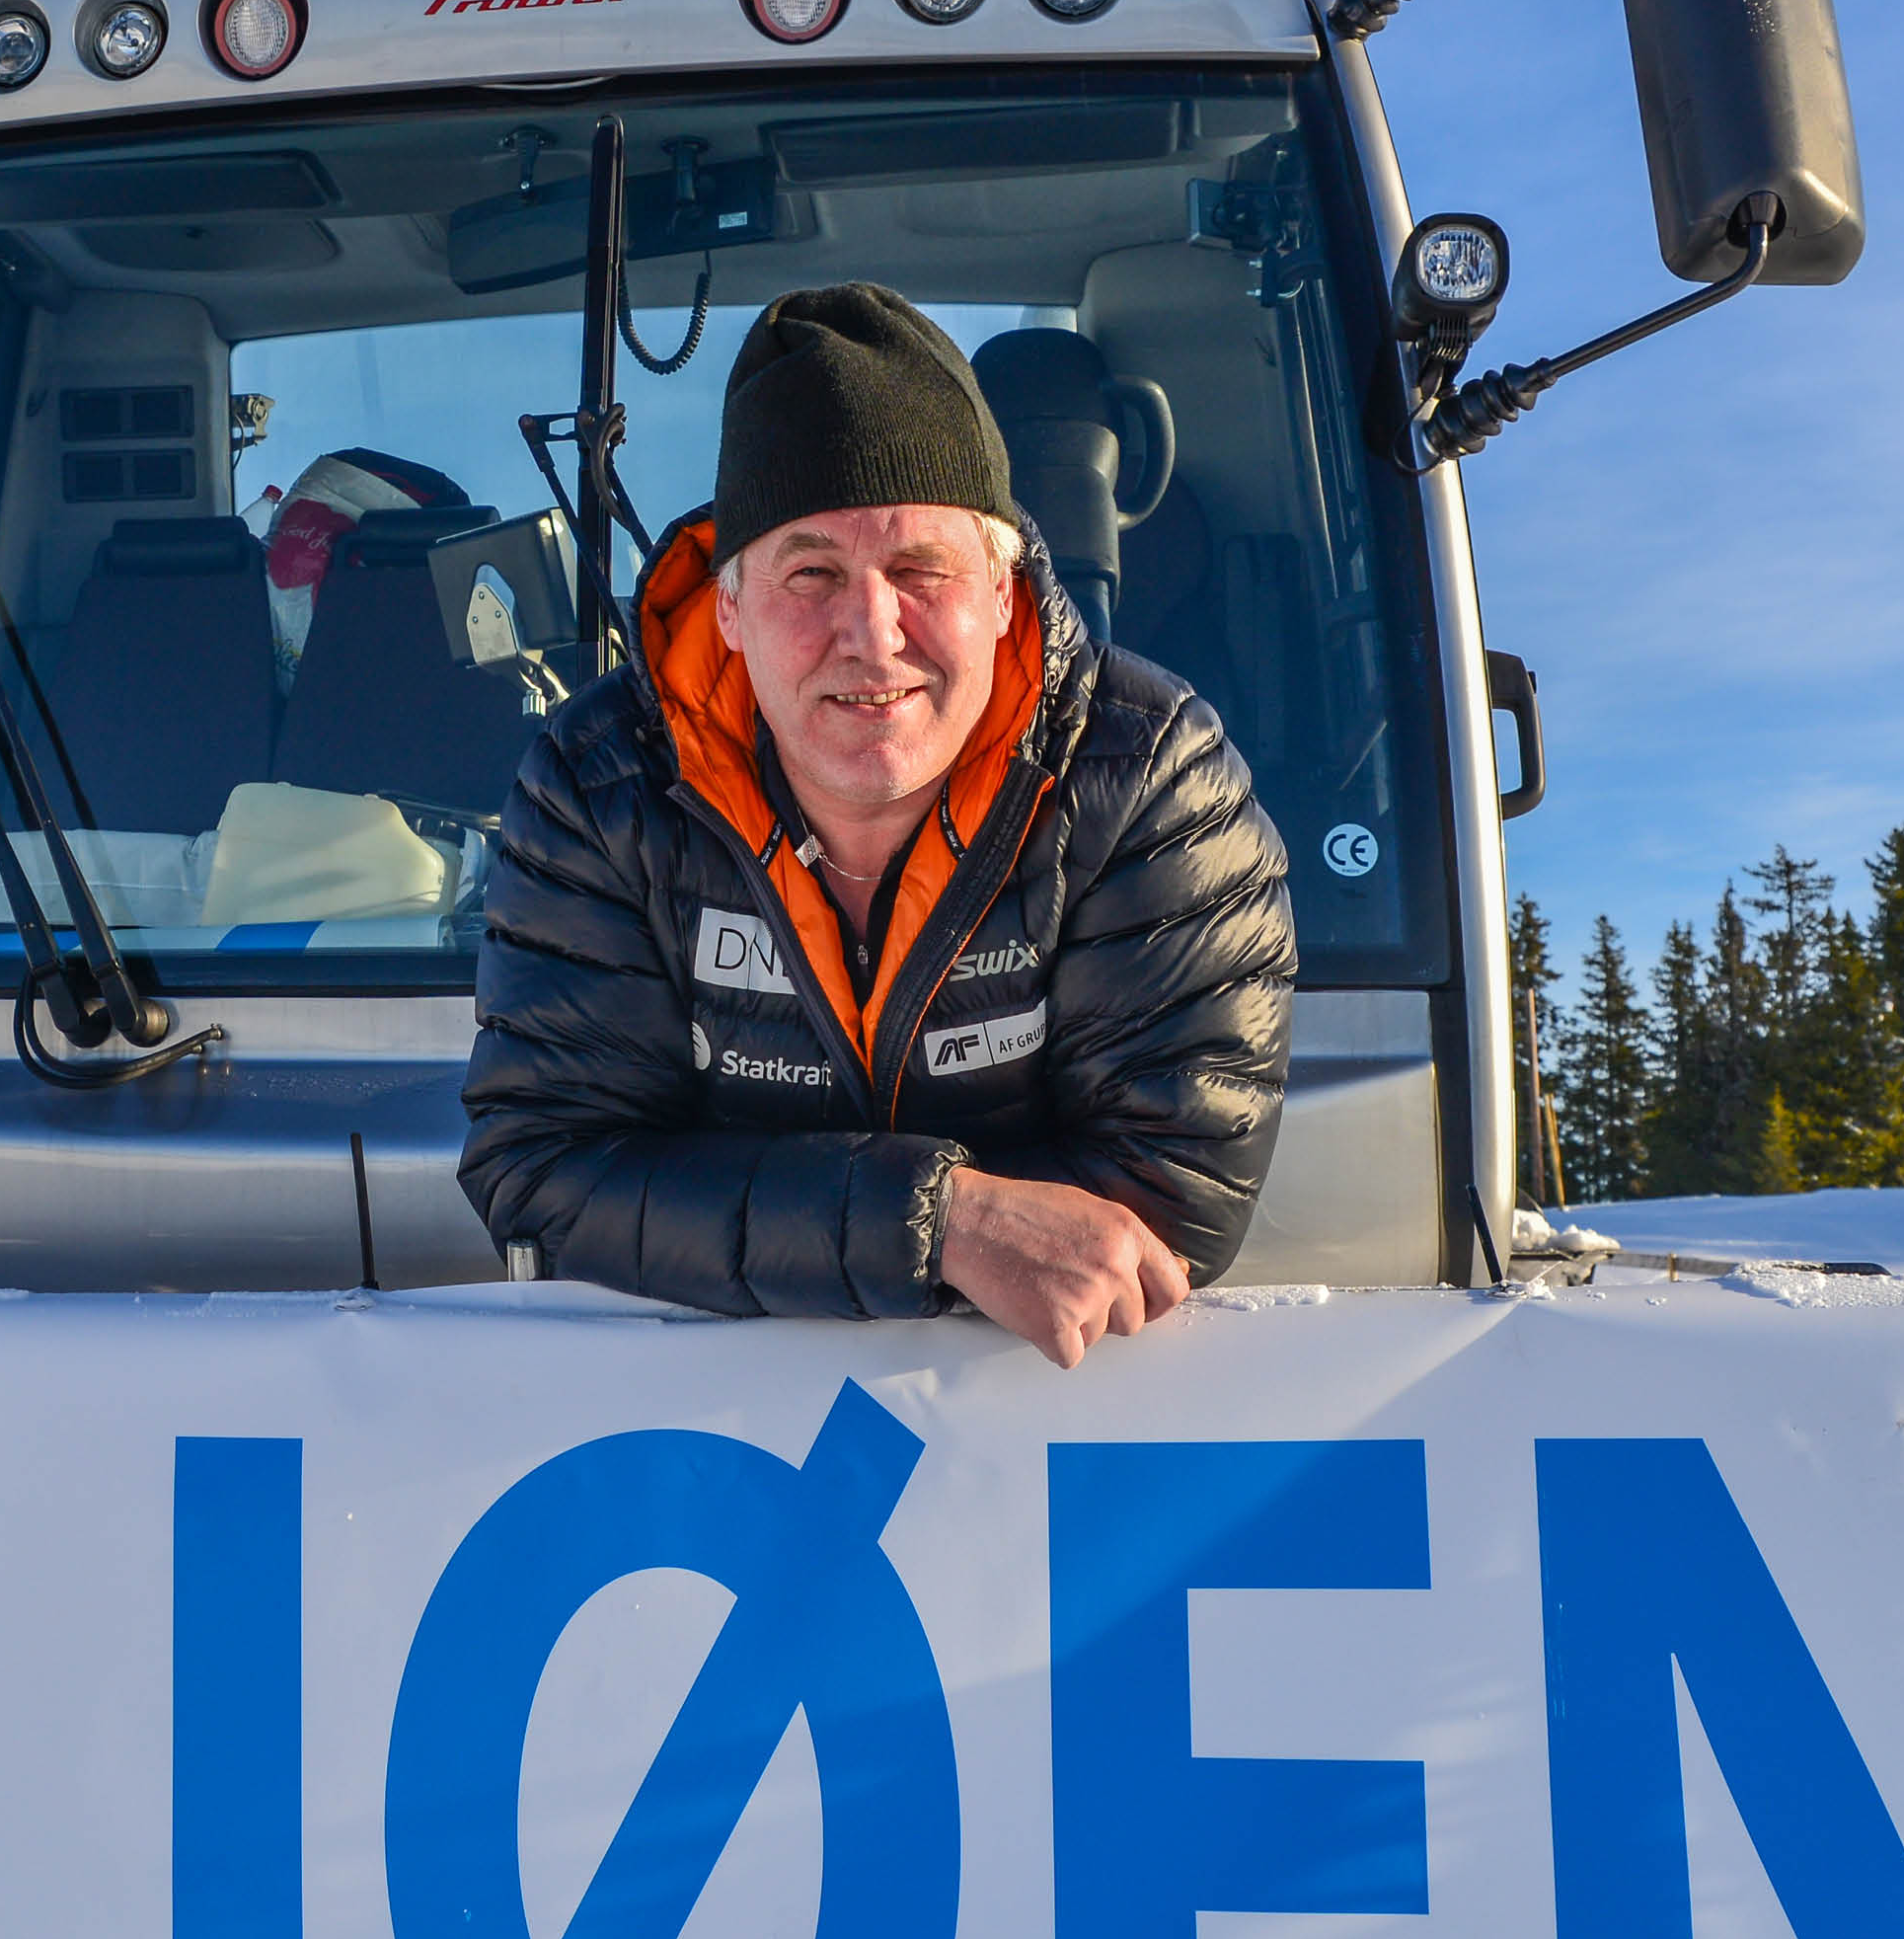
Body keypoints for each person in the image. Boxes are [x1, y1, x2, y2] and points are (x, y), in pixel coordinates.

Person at [461, 283, 1293, 1364]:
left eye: (920, 569)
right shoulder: (600, 788)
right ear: (728, 604)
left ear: (1005, 591)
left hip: (1068, 1469)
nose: (870, 630)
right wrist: (944, 1223)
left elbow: (1163, 1206)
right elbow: (546, 1175)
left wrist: (769, 1225)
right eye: (811, 571)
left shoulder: (1149, 783)